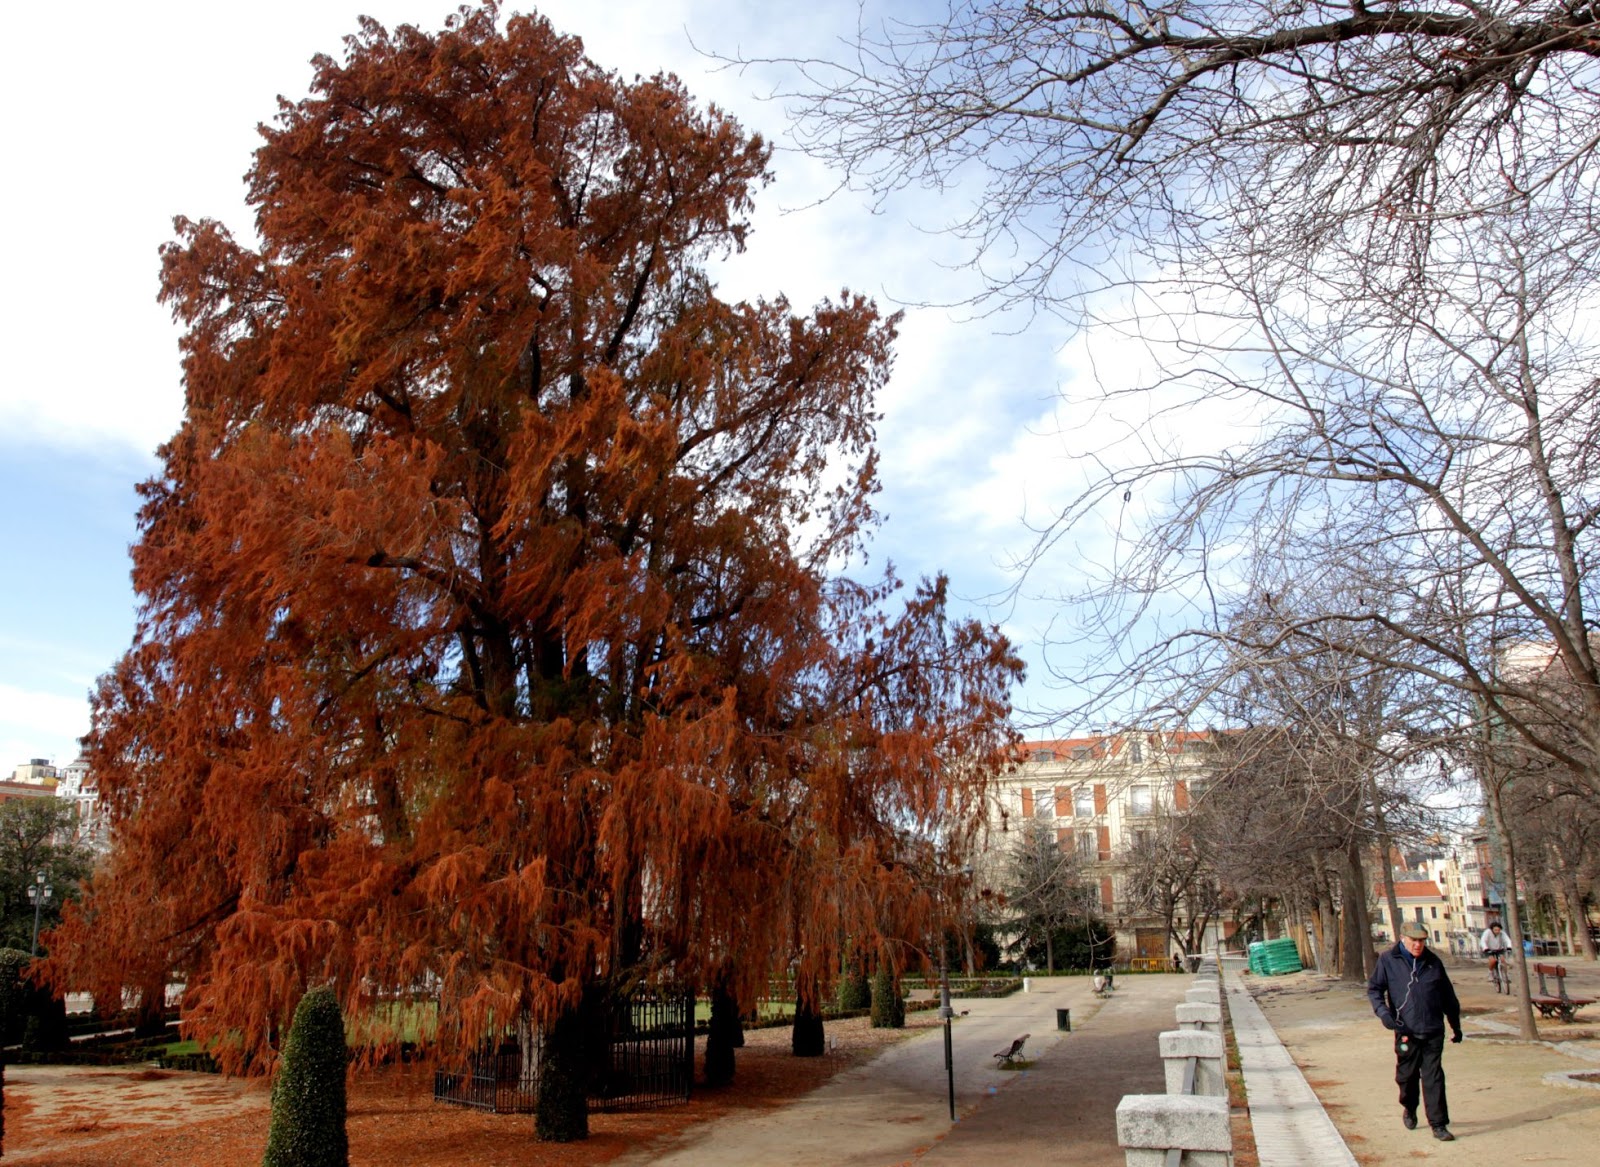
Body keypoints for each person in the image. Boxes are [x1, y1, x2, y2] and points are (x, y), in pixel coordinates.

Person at [1367, 920, 1463, 1142]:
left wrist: (1455, 1024)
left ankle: (1438, 1124)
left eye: (1422, 940)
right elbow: (1374, 990)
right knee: (1407, 1077)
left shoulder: (1433, 962)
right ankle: (1409, 1107)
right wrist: (1383, 1013)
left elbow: (1448, 996)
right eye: (1414, 940)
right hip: (1405, 1029)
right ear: (1403, 939)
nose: (1418, 945)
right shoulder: (1388, 960)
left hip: (1432, 1029)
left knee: (1433, 1076)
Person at [1480, 921, 1513, 985]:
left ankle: (1506, 975)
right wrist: (1485, 948)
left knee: (1503, 960)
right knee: (1492, 961)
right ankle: (1490, 973)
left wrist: (1509, 947)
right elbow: (1483, 941)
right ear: (1492, 929)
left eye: (1498, 930)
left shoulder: (1502, 933)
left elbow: (1507, 940)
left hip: (1499, 949)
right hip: (1489, 949)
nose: (1497, 931)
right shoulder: (1487, 932)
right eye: (1495, 930)